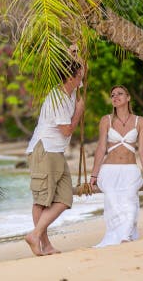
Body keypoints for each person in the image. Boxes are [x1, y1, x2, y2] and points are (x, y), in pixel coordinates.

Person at [24, 58, 85, 256]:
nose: (81, 77)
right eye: (79, 75)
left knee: (65, 198)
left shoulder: (72, 89)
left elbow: (81, 69)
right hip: (45, 150)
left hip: (55, 151)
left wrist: (75, 52)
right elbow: (67, 130)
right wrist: (79, 112)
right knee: (42, 200)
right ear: (70, 78)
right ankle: (42, 242)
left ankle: (36, 235)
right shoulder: (58, 97)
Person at [89, 85, 143, 247]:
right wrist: (93, 175)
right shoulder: (106, 120)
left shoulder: (139, 121)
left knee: (129, 201)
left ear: (128, 98)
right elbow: (101, 148)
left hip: (130, 170)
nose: (115, 97)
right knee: (113, 202)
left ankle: (125, 236)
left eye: (120, 94)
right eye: (112, 95)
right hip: (109, 170)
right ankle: (118, 236)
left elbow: (142, 149)